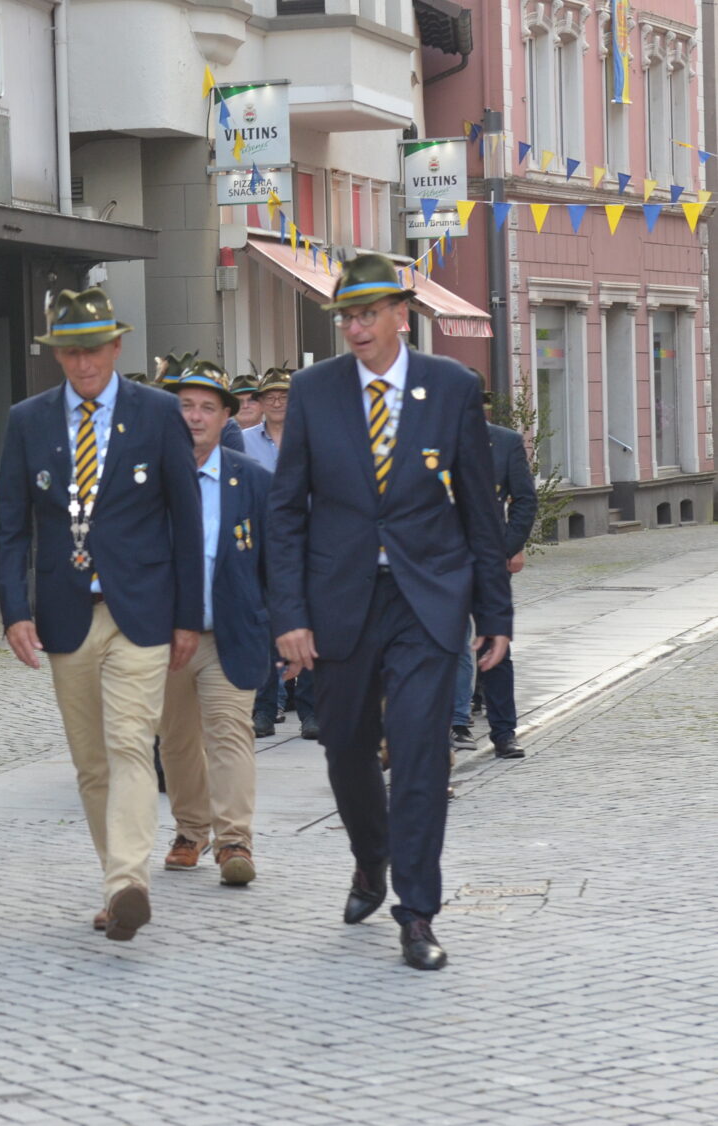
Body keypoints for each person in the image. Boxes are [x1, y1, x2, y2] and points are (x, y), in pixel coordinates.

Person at [267, 254, 512, 971]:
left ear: (402, 315)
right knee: (344, 744)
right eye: (346, 314)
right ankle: (369, 860)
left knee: (417, 751)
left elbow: (478, 511)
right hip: (340, 598)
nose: (355, 327)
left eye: (368, 313)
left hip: (427, 597)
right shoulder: (314, 392)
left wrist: (494, 613)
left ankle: (418, 911)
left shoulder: (451, 388)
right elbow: (285, 512)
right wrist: (289, 615)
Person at [0, 288, 204, 941]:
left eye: (93, 350)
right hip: (63, 611)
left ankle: (127, 883)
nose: (82, 364)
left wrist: (188, 616)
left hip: (141, 608)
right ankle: (114, 879)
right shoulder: (27, 420)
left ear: (117, 347)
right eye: (69, 352)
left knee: (129, 745)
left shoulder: (157, 412)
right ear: (56, 354)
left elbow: (186, 518)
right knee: (91, 762)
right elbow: (11, 530)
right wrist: (14, 611)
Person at [157, 362, 273, 886]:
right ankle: (190, 830)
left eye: (207, 406)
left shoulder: (251, 480)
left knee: (229, 732)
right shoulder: (149, 475)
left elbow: (277, 563)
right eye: (185, 405)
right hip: (163, 635)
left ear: (226, 415)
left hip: (229, 630)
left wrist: (283, 629)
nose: (195, 416)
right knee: (176, 741)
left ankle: (234, 842)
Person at [242, 365, 316, 740]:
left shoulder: (311, 439)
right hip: (258, 543)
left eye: (283, 396)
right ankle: (264, 711)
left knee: (311, 623)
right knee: (263, 628)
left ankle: (312, 712)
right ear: (260, 401)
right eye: (269, 395)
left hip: (305, 541)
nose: (275, 401)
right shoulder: (242, 441)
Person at [476, 387, 537, 758]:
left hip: (488, 562)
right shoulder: (427, 443)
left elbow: (525, 500)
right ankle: (452, 726)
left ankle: (503, 731)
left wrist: (506, 548)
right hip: (437, 564)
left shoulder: (505, 442)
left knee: (495, 644)